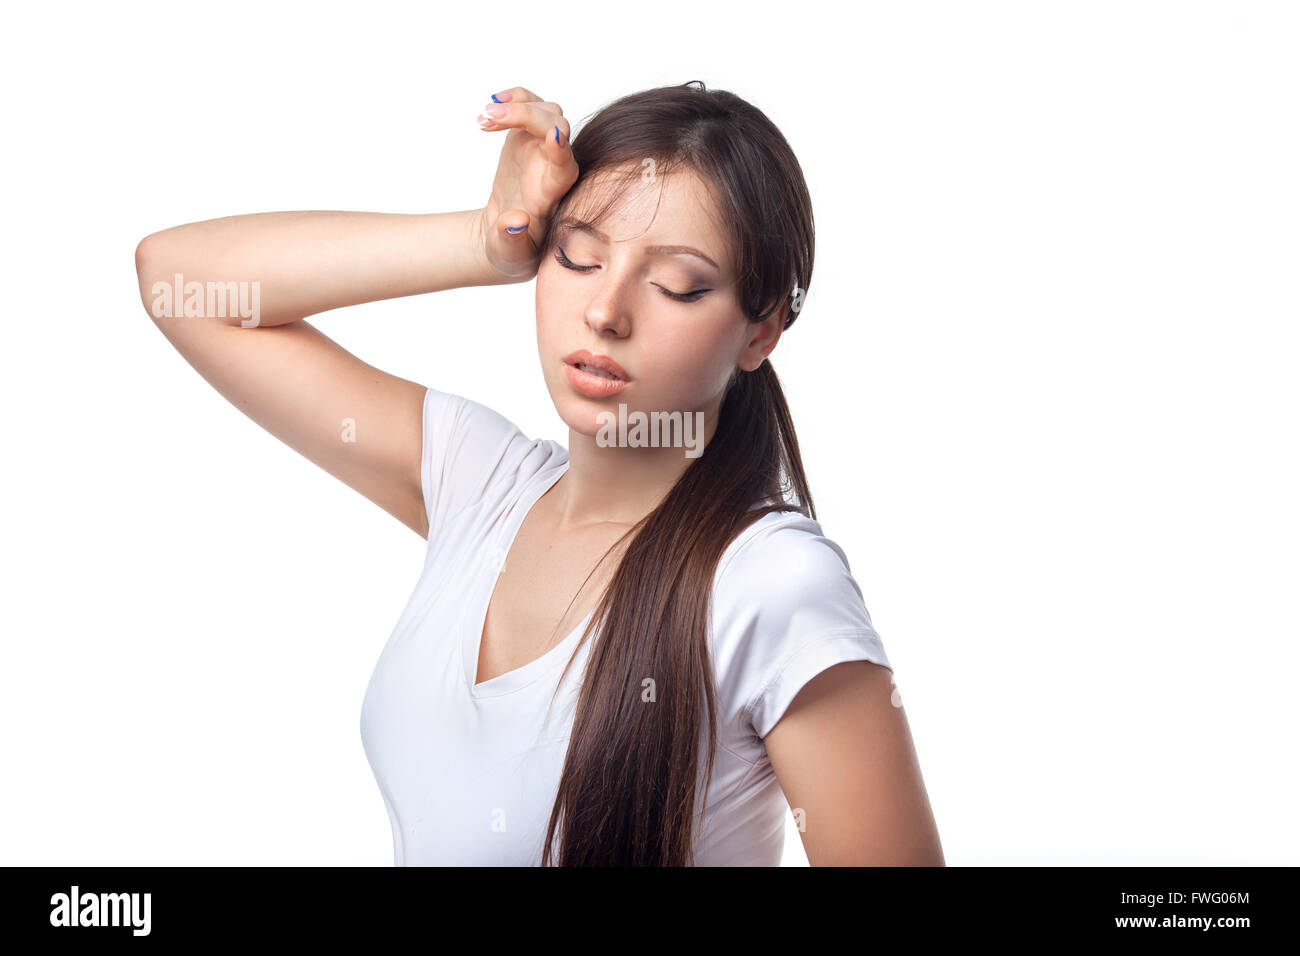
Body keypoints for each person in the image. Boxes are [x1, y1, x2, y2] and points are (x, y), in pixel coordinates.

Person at [133, 80, 944, 866]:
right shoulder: (480, 483)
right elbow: (180, 282)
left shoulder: (769, 583)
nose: (606, 311)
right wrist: (487, 239)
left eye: (677, 285)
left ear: (762, 330)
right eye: (579, 257)